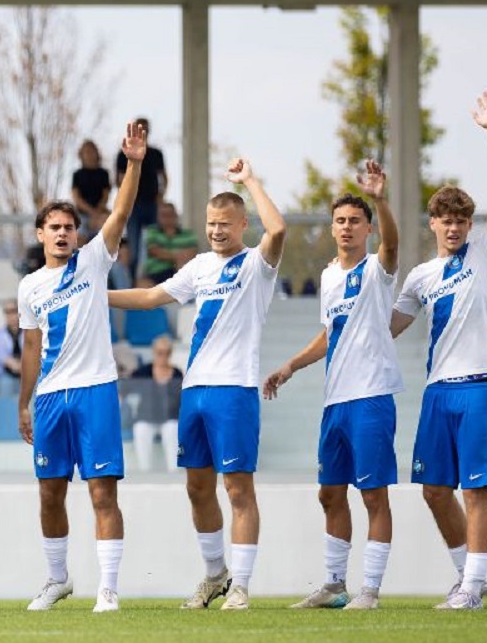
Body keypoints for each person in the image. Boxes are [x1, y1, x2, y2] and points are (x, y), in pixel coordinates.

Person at [108, 157, 286, 610]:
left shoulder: (257, 265)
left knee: (238, 489)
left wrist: (250, 180)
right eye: (210, 223)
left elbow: (279, 229)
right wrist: (96, 294)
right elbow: (150, 297)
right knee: (197, 488)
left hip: (235, 390)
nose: (216, 231)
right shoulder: (200, 266)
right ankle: (215, 575)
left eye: (225, 223)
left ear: (242, 224)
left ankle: (241, 585)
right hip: (194, 391)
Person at [389, 90, 487, 610]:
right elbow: (390, 328)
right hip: (437, 391)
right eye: (447, 220)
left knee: (475, 490)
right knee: (434, 491)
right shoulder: (421, 276)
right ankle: (469, 578)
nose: (456, 226)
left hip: (479, 387)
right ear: (434, 224)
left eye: (462, 219)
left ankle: (473, 587)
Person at [16, 119, 146, 613]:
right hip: (50, 398)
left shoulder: (93, 260)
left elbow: (122, 210)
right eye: (54, 227)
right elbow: (31, 347)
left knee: (101, 492)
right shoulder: (29, 286)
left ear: (78, 234)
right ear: (40, 234)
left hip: (95, 390)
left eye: (69, 227)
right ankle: (58, 580)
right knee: (50, 494)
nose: (63, 234)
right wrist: (24, 403)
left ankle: (108, 588)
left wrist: (133, 163)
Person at [264, 161, 401, 610]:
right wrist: (290, 365)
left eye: (355, 221)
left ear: (367, 228)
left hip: (371, 397)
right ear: (332, 228)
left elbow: (393, 244)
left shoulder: (378, 269)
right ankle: (334, 585)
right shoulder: (328, 276)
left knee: (373, 495)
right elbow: (329, 334)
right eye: (340, 220)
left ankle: (371, 590)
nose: (346, 227)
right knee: (329, 493)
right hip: (335, 402)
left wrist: (380, 199)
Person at [114, 117, 168, 284]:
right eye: (139, 128)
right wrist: (125, 201)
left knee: (154, 246)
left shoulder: (156, 153)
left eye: (145, 128)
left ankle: (152, 282)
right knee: (134, 248)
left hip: (152, 205)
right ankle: (132, 283)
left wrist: (160, 198)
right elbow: (119, 181)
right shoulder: (123, 153)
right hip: (133, 206)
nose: (142, 131)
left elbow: (164, 178)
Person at [126, 334, 183, 472]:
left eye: (166, 352)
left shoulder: (176, 373)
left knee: (172, 429)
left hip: (169, 418)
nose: (163, 356)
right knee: (140, 428)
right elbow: (126, 388)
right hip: (147, 417)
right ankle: (144, 471)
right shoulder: (143, 372)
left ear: (170, 353)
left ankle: (174, 471)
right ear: (154, 352)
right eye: (159, 352)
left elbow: (181, 397)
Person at [138, 202, 198, 287]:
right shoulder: (152, 231)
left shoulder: (188, 234)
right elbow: (154, 251)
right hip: (155, 273)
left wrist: (166, 254)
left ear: (175, 215)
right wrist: (178, 256)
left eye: (170, 214)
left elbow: (192, 253)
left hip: (178, 272)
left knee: (184, 267)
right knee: (142, 284)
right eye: (164, 215)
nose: (167, 218)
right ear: (158, 217)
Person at [70, 139, 111, 238]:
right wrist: (91, 212)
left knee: (109, 227)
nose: (89, 154)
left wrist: (97, 213)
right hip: (82, 215)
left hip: (101, 214)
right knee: (78, 235)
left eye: (92, 151)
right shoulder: (77, 175)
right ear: (81, 155)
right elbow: (77, 198)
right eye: (86, 152)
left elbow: (105, 196)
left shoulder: (104, 174)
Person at [0, 299, 23, 389]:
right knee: (5, 383)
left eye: (13, 311)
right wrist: (19, 367)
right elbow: (4, 359)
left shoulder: (28, 332)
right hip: (6, 373)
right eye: (7, 312)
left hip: (26, 370)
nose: (10, 315)